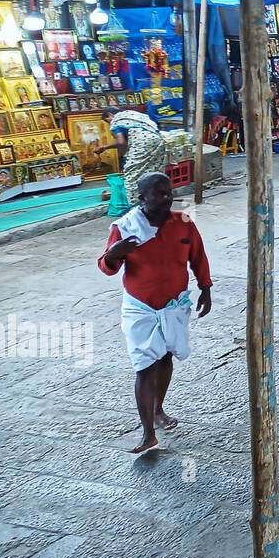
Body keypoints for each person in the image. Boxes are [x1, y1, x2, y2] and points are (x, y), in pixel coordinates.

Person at [98, 171, 212, 455]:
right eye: (158, 193)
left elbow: (198, 255)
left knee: (165, 356)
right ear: (142, 198)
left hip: (174, 303)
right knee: (144, 365)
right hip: (141, 306)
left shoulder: (183, 222)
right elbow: (105, 265)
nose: (166, 198)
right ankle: (148, 431)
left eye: (168, 192)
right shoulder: (125, 227)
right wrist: (114, 253)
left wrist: (206, 287)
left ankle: (158, 409)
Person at [101, 107, 167, 205]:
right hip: (158, 140)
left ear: (110, 115)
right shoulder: (133, 115)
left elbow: (121, 142)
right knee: (153, 171)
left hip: (143, 143)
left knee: (131, 176)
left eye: (107, 121)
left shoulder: (117, 120)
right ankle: (157, 202)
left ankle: (136, 206)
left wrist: (104, 147)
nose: (109, 124)